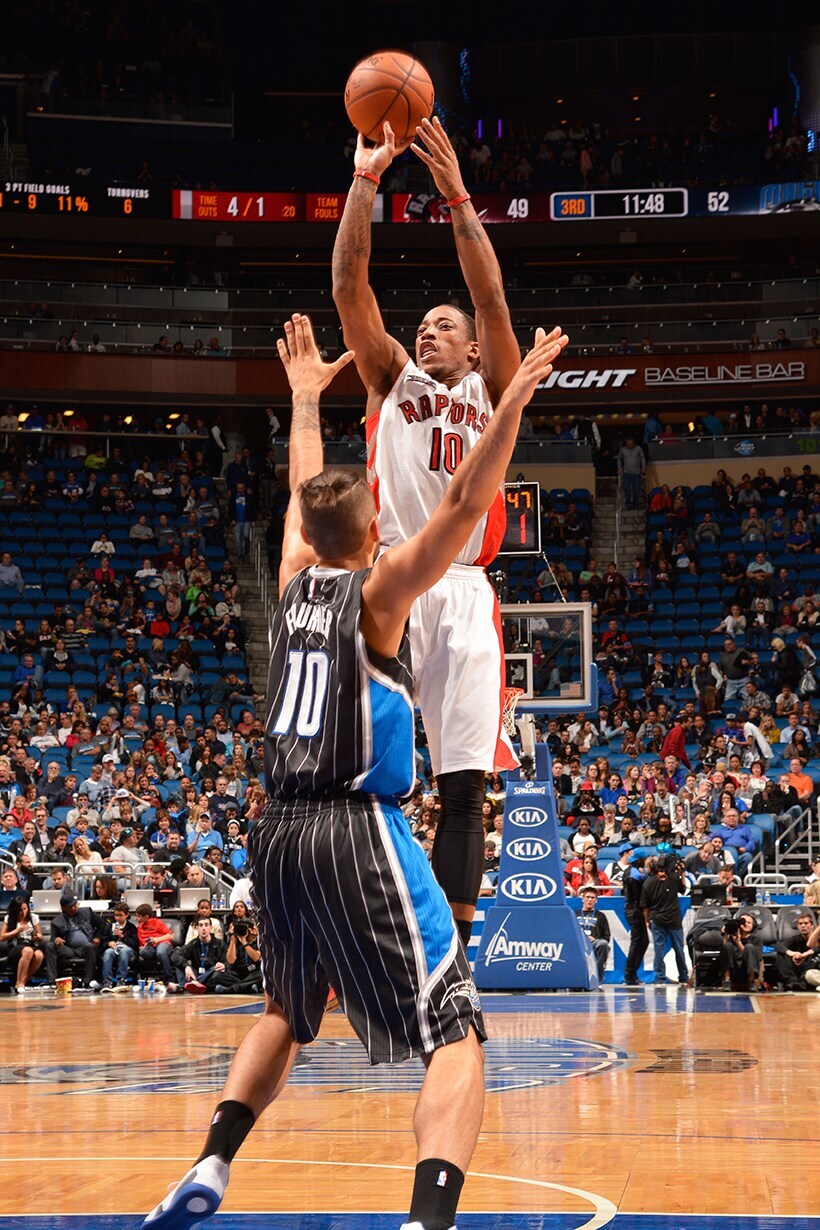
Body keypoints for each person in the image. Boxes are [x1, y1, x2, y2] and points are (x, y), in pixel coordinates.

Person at [142, 314, 566, 1230]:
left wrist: (304, 398)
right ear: (373, 528)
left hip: (275, 835)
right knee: (456, 1028)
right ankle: (428, 1221)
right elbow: (465, 503)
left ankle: (212, 1160)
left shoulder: (292, 581)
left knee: (286, 1012)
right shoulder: (380, 594)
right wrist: (513, 401)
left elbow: (305, 493)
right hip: (351, 827)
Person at [331, 117, 558, 953]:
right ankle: (369, 941)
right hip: (392, 578)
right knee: (367, 782)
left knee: (463, 791)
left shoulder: (493, 386)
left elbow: (492, 299)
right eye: (422, 324)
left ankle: (451, 962)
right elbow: (350, 288)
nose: (428, 331)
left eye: (442, 326)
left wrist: (459, 196)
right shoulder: (389, 375)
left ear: (471, 347)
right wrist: (364, 182)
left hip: (462, 589)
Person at [641, 853, 688, 985]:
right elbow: (683, 890)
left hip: (657, 919)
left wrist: (647, 921)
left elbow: (645, 907)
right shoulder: (674, 878)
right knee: (679, 949)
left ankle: (659, 977)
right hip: (674, 919)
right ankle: (683, 977)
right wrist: (682, 873)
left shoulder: (648, 882)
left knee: (659, 950)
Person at [43, 891, 99, 988]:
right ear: (64, 908)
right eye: (71, 906)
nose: (75, 907)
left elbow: (102, 925)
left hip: (85, 948)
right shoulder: (56, 921)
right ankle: (52, 981)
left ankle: (88, 981)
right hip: (68, 949)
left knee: (90, 947)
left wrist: (98, 937)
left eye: (75, 904)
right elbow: (53, 938)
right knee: (50, 946)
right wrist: (56, 940)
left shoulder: (87, 912)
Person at [0, 896, 44, 992]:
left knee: (39, 955)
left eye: (25, 909)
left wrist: (38, 936)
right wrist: (17, 930)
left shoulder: (33, 917)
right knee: (28, 951)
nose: (23, 912)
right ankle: (19, 983)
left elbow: (40, 935)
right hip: (15, 946)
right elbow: (2, 937)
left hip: (30, 944)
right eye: (20, 910)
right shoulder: (9, 918)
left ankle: (22, 982)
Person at [718, 911, 764, 991]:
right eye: (743, 922)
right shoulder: (731, 938)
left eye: (749, 923)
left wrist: (738, 942)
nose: (746, 924)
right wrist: (725, 934)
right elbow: (725, 954)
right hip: (733, 969)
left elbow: (757, 958)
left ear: (753, 926)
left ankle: (751, 981)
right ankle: (727, 980)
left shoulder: (756, 939)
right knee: (727, 946)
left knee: (749, 947)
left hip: (748, 969)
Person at [99, 901, 139, 989]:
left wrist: (122, 936)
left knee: (124, 952)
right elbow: (103, 941)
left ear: (127, 915)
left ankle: (121, 979)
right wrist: (108, 943)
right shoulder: (109, 926)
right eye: (116, 915)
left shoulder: (131, 927)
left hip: (127, 948)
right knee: (108, 953)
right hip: (114, 948)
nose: (117, 918)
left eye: (120, 915)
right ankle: (107, 980)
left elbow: (134, 943)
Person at [776, 911, 820, 991]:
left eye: (806, 923)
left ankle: (803, 982)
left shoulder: (817, 938)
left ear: (812, 925)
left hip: (813, 967)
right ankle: (791, 981)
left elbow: (816, 948)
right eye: (800, 924)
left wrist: (805, 954)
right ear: (797, 927)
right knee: (782, 953)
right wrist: (792, 953)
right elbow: (779, 946)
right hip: (799, 966)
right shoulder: (796, 939)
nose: (803, 926)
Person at [622, 852, 648, 985]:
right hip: (635, 911)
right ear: (639, 860)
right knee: (637, 942)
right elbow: (639, 897)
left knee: (643, 942)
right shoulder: (636, 875)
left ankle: (632, 973)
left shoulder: (629, 872)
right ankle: (629, 975)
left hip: (631, 909)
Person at [576, 886, 611, 981]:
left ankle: (597, 978)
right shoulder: (575, 914)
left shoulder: (601, 916)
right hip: (578, 943)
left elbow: (606, 936)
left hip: (594, 943)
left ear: (596, 900)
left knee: (603, 944)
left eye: (592, 898)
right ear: (582, 899)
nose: (590, 900)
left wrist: (595, 939)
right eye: (587, 897)